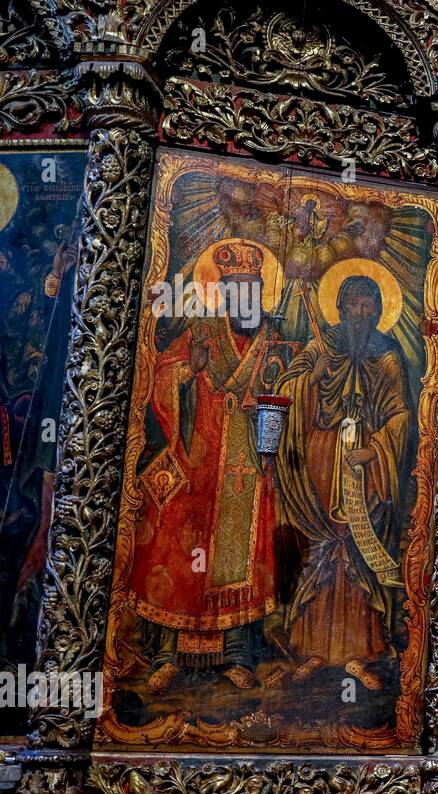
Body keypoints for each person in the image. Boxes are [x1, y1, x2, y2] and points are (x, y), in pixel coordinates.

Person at [131, 240, 278, 693]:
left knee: (240, 555)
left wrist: (269, 440)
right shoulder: (200, 329)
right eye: (235, 293)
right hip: (196, 459)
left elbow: (282, 396)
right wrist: (187, 372)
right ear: (223, 295)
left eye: (251, 292)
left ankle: (236, 653)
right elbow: (160, 374)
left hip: (243, 465)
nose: (243, 301)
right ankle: (167, 653)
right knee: (180, 544)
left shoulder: (272, 339)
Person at [273, 274, 410, 690]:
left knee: (356, 550)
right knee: (319, 548)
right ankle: (311, 649)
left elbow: (402, 415)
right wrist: (312, 377)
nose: (362, 312)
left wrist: (375, 451)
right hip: (317, 465)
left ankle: (361, 652)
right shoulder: (321, 345)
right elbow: (285, 393)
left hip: (363, 470)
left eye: (370, 305)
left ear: (379, 311)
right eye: (355, 303)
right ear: (341, 308)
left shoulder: (387, 355)